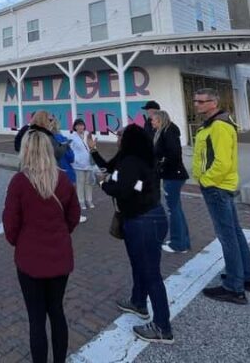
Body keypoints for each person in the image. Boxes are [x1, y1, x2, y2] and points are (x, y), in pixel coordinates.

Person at [89, 125, 174, 344]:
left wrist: (103, 183)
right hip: (141, 217)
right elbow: (120, 175)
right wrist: (93, 151)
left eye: (120, 135)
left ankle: (163, 327)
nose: (117, 138)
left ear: (130, 139)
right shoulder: (135, 158)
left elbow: (121, 188)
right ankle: (138, 302)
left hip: (143, 220)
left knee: (151, 273)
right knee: (139, 265)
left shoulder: (132, 162)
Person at [3, 129, 81, 363]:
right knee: (56, 311)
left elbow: (10, 223)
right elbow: (74, 216)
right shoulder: (63, 179)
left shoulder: (19, 182)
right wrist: (59, 233)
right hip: (59, 256)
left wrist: (22, 241)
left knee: (36, 318)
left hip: (30, 259)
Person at [191, 88, 250, 304]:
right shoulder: (217, 124)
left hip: (217, 187)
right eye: (195, 101)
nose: (197, 105)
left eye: (201, 102)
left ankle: (234, 287)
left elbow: (222, 161)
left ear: (213, 103)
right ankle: (245, 276)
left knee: (227, 236)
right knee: (235, 233)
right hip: (222, 186)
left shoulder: (219, 126)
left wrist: (206, 180)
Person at [152, 110, 190, 254]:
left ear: (160, 120)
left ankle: (178, 243)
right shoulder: (165, 132)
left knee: (173, 209)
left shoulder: (168, 132)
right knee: (176, 208)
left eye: (154, 120)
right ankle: (183, 241)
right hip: (172, 174)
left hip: (173, 175)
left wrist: (161, 165)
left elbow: (173, 154)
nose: (152, 122)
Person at [69, 119, 95, 209]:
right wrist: (75, 160)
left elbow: (93, 146)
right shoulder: (72, 137)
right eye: (78, 125)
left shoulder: (88, 134)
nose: (80, 127)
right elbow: (70, 150)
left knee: (89, 183)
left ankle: (89, 200)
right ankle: (81, 201)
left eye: (82, 125)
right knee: (80, 183)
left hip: (88, 163)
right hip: (78, 164)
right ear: (75, 127)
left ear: (84, 126)